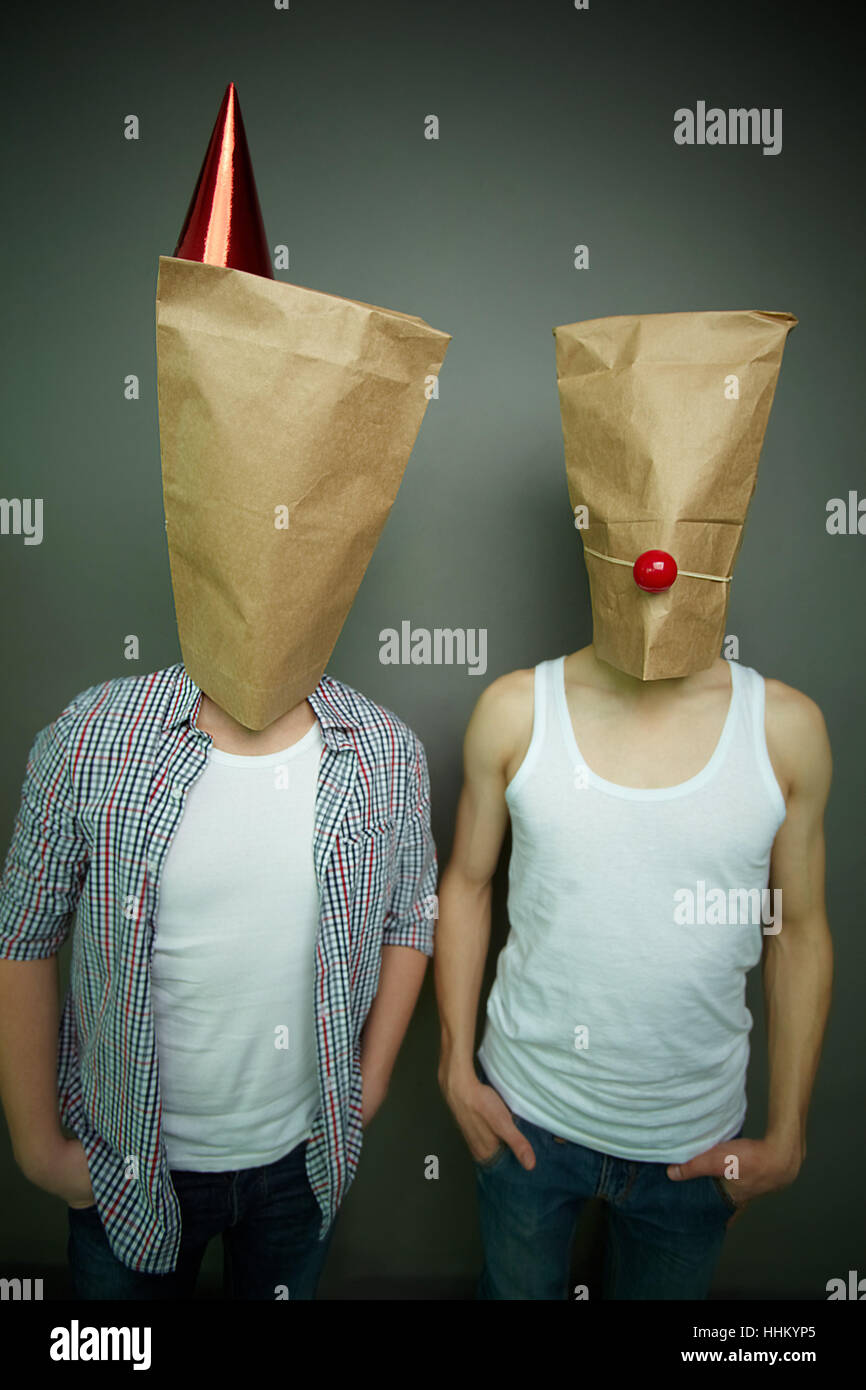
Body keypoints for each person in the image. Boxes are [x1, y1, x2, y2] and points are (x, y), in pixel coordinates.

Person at [435, 310, 833, 1300]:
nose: (655, 569)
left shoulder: (783, 729)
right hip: (524, 1123)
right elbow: (465, 884)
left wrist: (781, 1133)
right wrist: (454, 1067)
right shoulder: (513, 710)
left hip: (694, 1149)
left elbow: (800, 933)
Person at [0, 667, 435, 1298]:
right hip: (126, 1164)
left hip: (304, 1160)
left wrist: (369, 1086)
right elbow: (24, 933)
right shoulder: (92, 734)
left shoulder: (386, 750)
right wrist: (38, 1148)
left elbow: (411, 914)